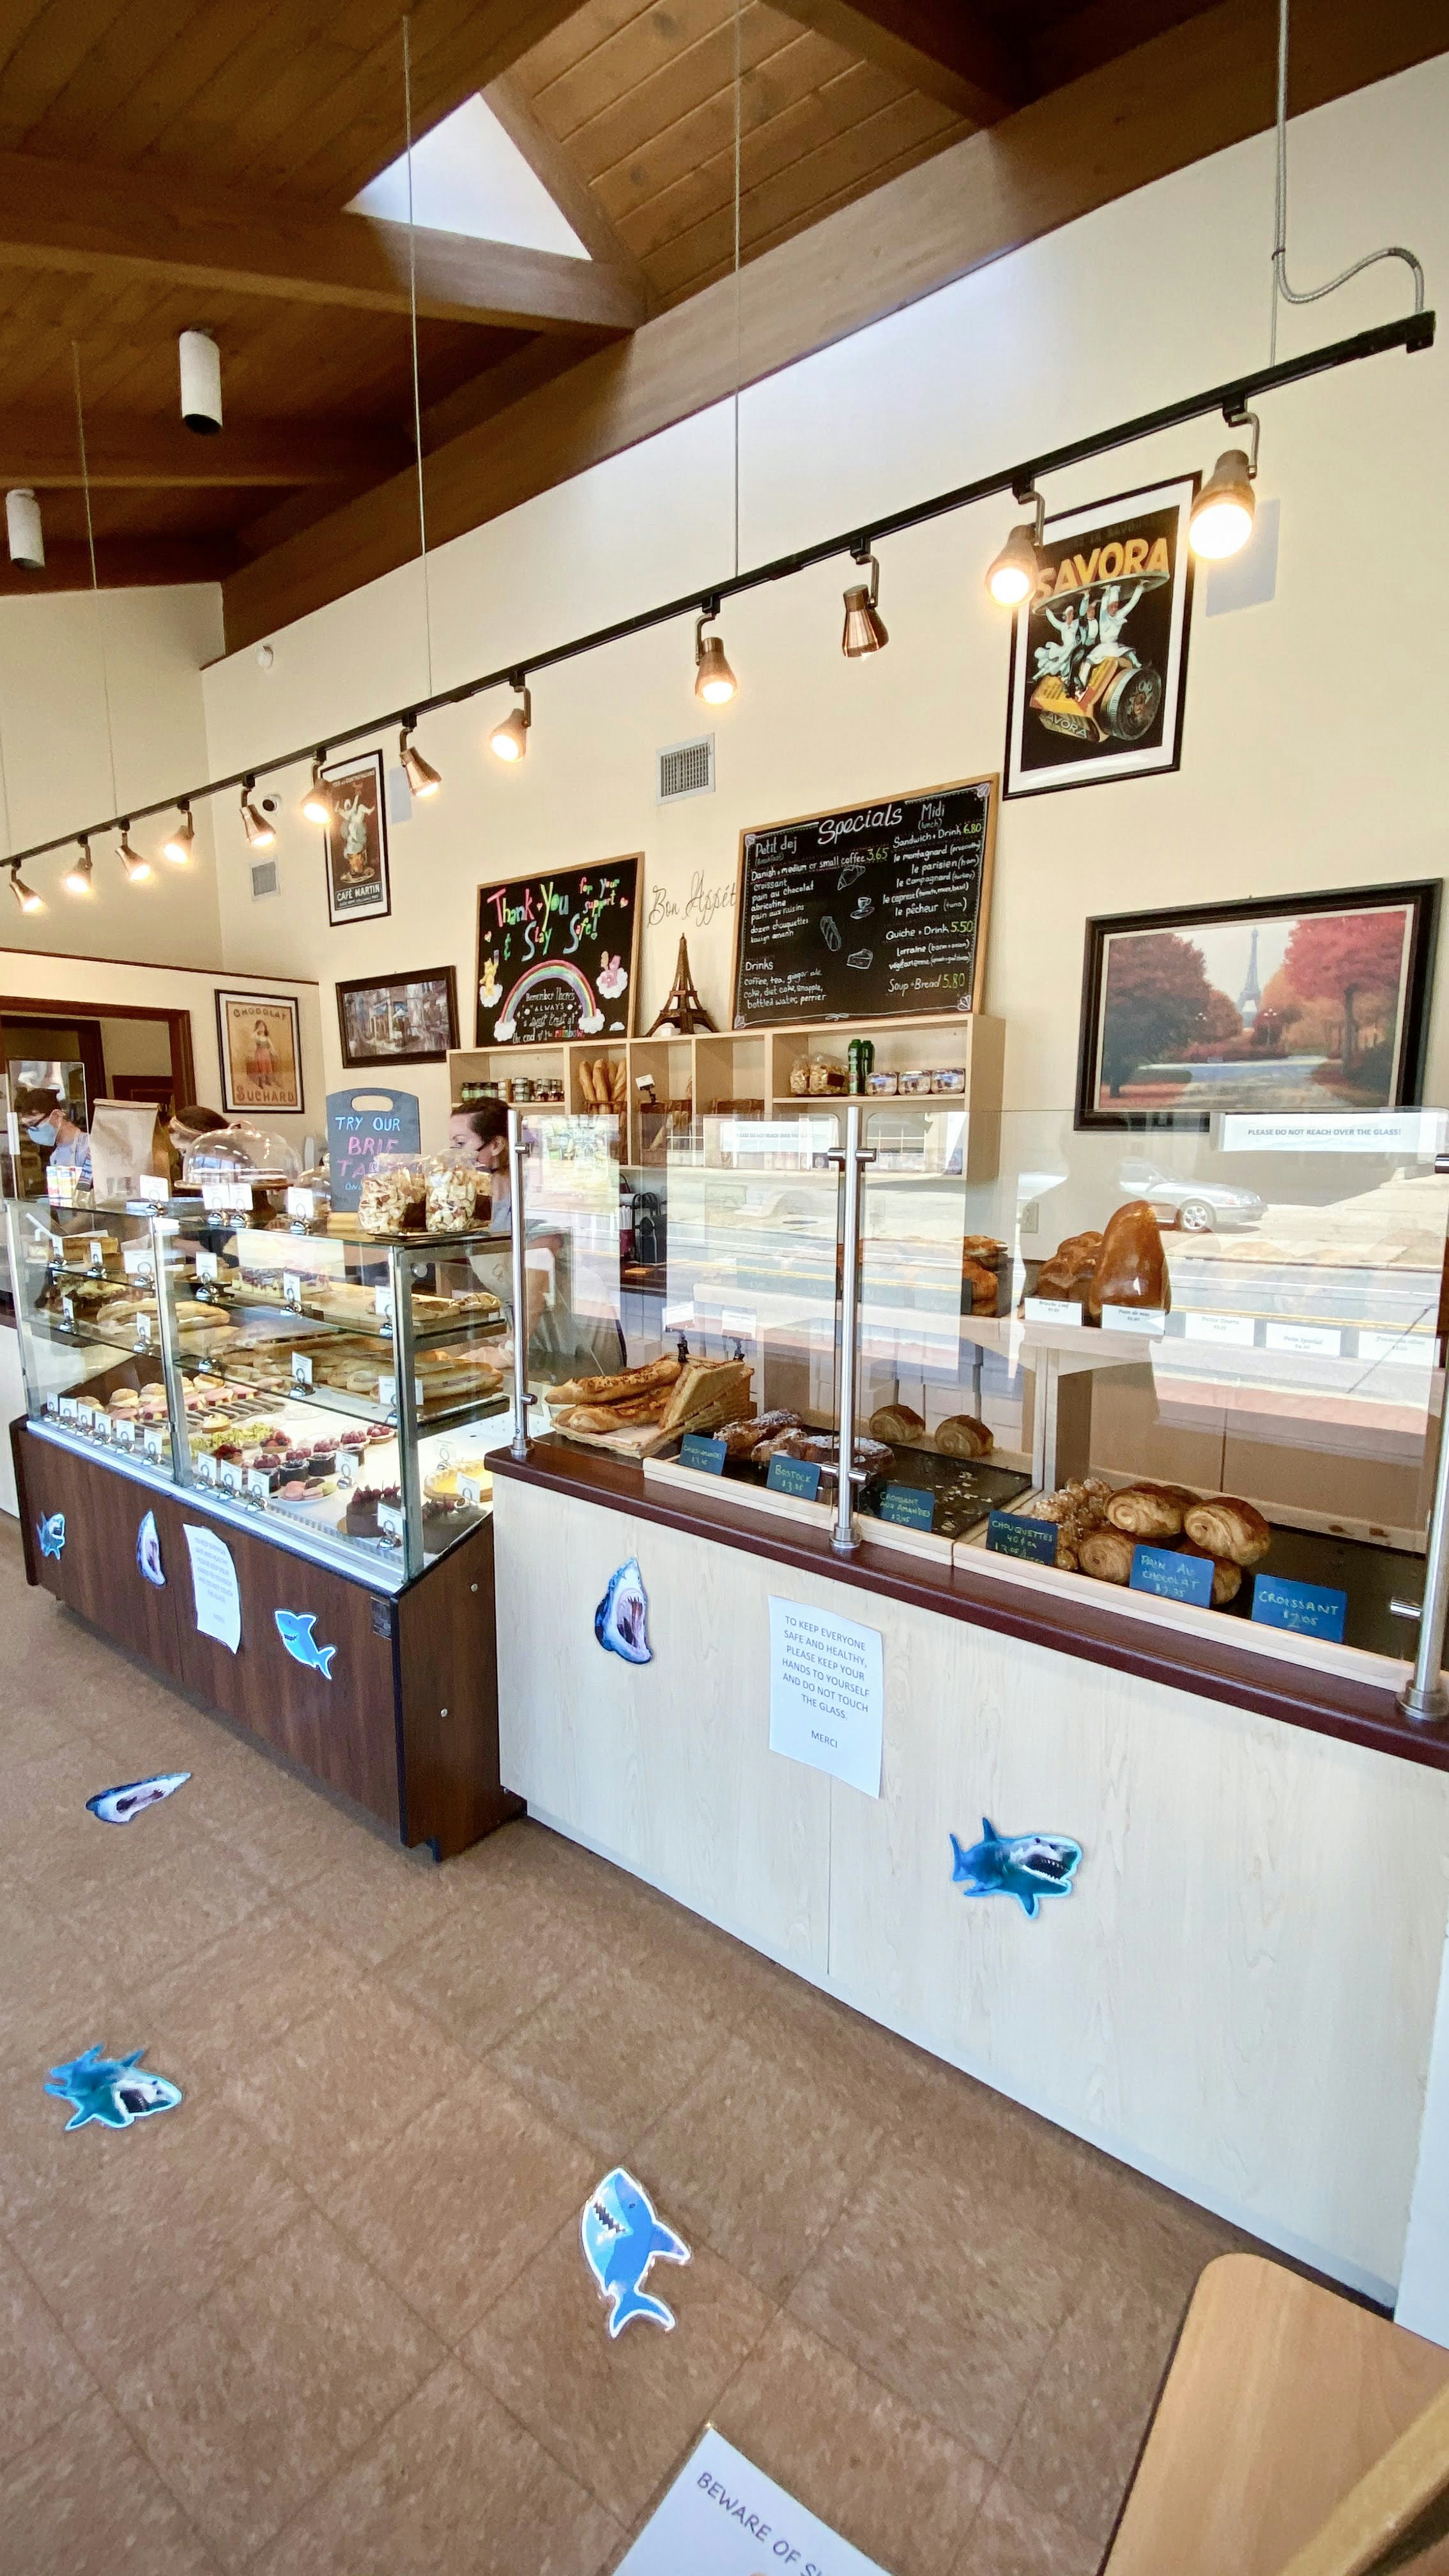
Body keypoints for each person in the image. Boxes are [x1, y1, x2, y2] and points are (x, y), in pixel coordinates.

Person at [14, 1085, 92, 1184]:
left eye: (34, 1124)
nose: (32, 1131)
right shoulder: (55, 1157)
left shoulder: (89, 1148)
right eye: (27, 1126)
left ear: (57, 1115)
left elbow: (93, 1192)